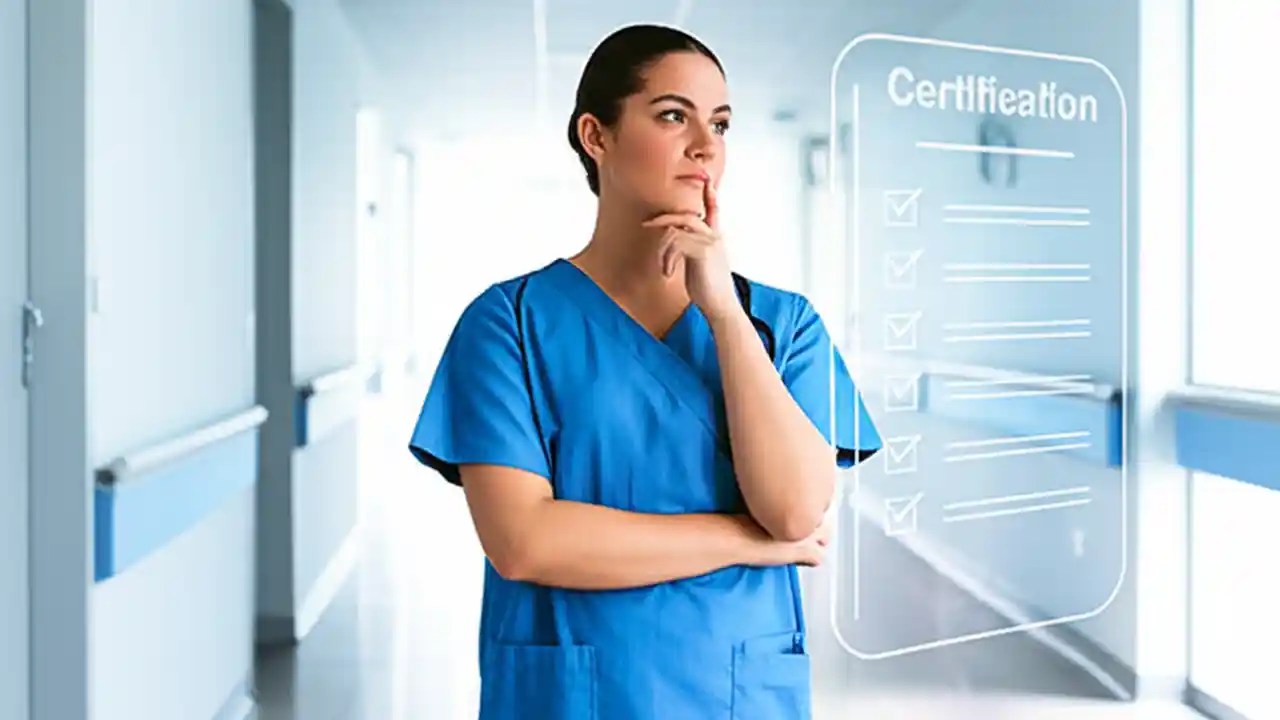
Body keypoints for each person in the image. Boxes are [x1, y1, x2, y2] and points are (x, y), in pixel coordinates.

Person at [408, 23, 881, 720]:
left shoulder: (783, 326)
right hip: (573, 697)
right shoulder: (507, 323)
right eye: (672, 116)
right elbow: (524, 542)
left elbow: (795, 511)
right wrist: (743, 540)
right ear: (595, 137)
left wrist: (723, 315)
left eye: (720, 123)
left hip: (735, 690)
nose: (706, 146)